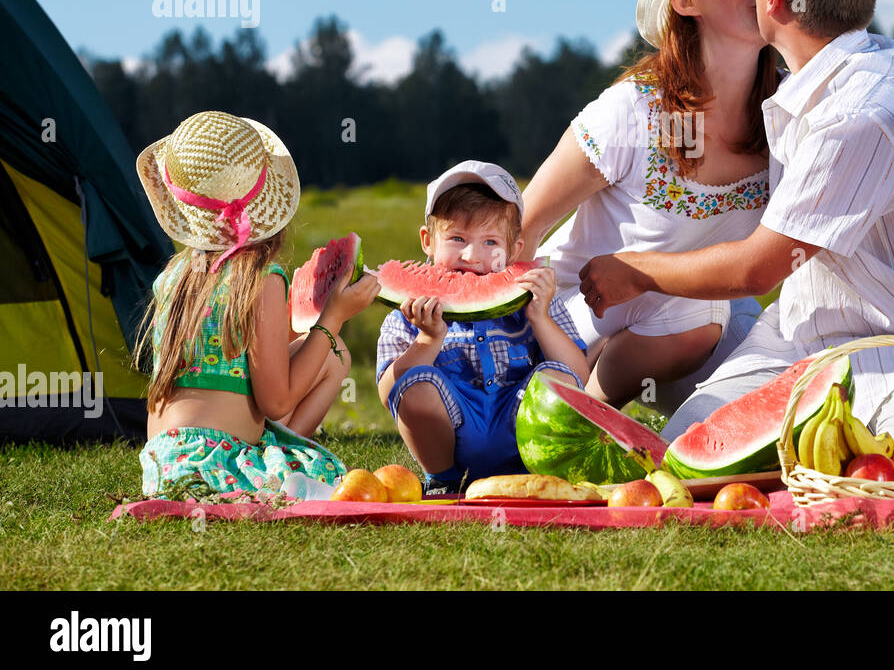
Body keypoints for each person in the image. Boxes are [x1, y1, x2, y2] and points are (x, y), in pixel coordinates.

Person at [579, 0, 894, 440]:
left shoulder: (856, 116)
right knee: (687, 452)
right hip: (798, 343)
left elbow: (759, 270)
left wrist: (634, 270)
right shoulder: (863, 72)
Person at [521, 0, 780, 410]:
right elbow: (524, 226)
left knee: (770, 387)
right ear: (686, 0)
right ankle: (584, 412)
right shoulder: (632, 111)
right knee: (700, 315)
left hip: (694, 328)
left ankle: (607, 407)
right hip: (572, 316)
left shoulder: (791, 113)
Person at [134, 110, 377, 495]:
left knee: (329, 353)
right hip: (219, 463)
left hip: (163, 462)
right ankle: (281, 466)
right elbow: (277, 402)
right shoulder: (262, 279)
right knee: (335, 353)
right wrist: (333, 317)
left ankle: (273, 457)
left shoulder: (171, 277)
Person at [377, 161, 589, 492]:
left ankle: (537, 468)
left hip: (519, 433)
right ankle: (444, 482)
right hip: (450, 437)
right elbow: (388, 391)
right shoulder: (407, 315)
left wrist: (540, 318)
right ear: (427, 241)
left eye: (490, 242)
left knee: (557, 379)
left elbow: (578, 376)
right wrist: (428, 339)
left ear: (515, 250)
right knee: (415, 383)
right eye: (457, 238)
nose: (472, 255)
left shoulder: (536, 303)